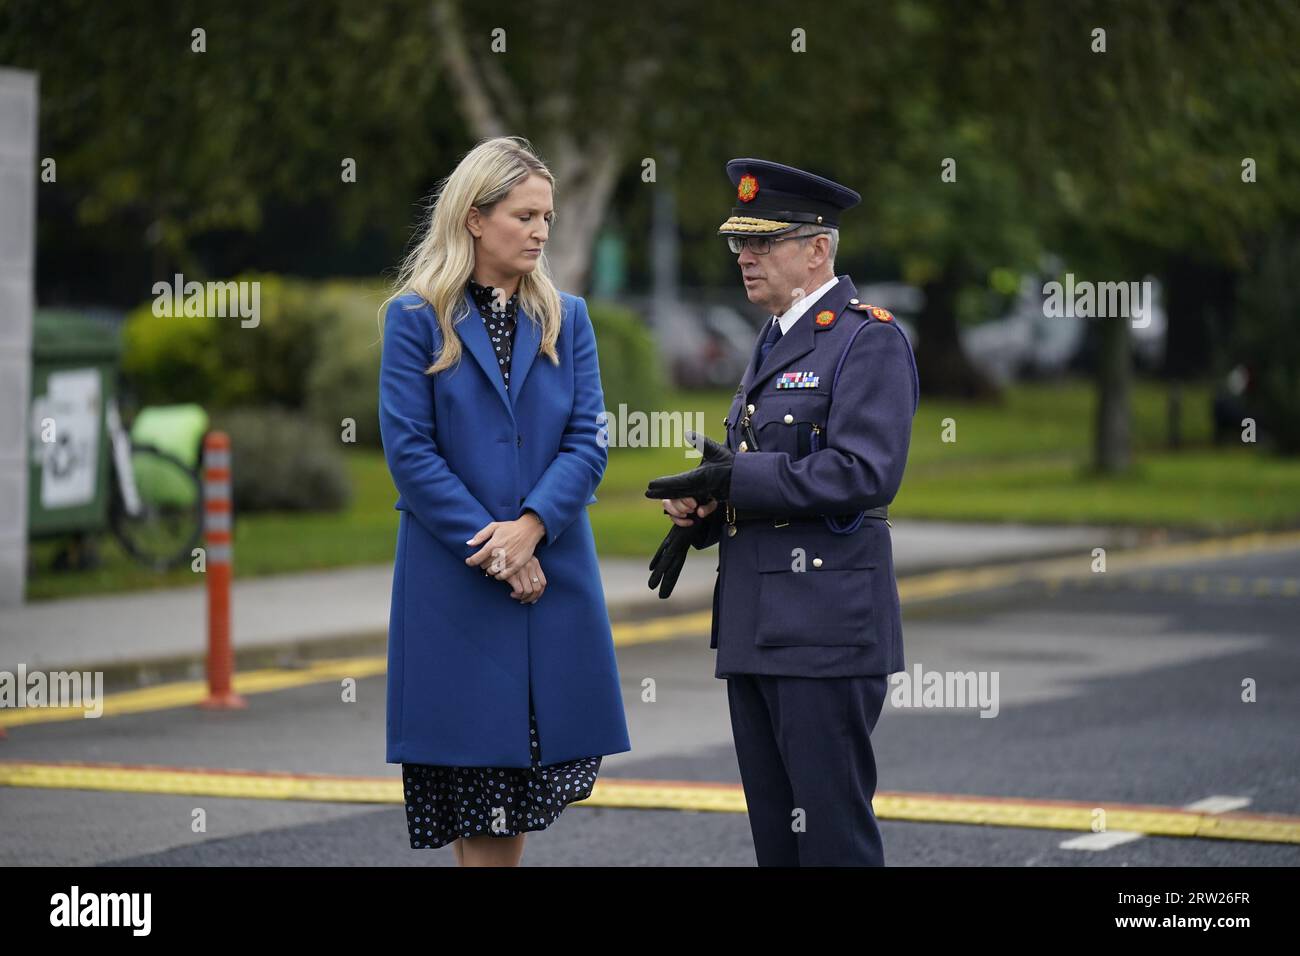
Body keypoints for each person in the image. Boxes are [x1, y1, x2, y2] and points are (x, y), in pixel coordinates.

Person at [646, 158, 919, 866]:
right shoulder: (773, 338)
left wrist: (737, 479)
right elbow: (772, 477)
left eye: (763, 241)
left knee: (831, 843)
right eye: (741, 242)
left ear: (817, 249)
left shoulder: (868, 338)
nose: (744, 255)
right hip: (759, 626)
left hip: (824, 630)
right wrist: (705, 507)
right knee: (780, 844)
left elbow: (864, 472)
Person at [378, 136, 630, 867]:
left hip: (546, 578)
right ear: (474, 218)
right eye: (525, 215)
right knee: (477, 791)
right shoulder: (414, 317)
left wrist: (530, 528)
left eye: (547, 216)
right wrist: (496, 548)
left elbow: (588, 442)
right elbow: (410, 454)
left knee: (514, 790)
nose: (542, 232)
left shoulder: (567, 317)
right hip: (457, 588)